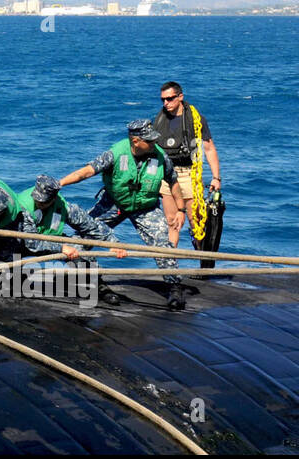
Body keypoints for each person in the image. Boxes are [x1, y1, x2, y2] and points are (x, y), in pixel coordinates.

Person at [59, 120, 189, 310]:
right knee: (80, 240)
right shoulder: (115, 154)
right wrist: (61, 183)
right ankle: (94, 282)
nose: (154, 144)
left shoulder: (161, 157)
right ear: (136, 141)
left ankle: (174, 286)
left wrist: (181, 210)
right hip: (114, 203)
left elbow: (174, 182)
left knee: (162, 242)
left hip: (145, 207)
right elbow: (87, 171)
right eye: (149, 141)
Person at [16, 175, 129, 305]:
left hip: (51, 240)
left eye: (44, 201)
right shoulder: (23, 207)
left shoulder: (64, 206)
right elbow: (31, 242)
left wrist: (113, 243)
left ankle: (97, 284)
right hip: (21, 243)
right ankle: (14, 278)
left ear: (54, 198)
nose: (39, 203)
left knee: (79, 249)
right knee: (7, 259)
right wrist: (61, 248)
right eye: (37, 199)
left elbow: (90, 225)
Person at [153, 81, 222, 247]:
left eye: (169, 99)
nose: (166, 103)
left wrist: (216, 178)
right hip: (166, 175)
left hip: (189, 175)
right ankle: (170, 266)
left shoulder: (196, 119)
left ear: (180, 97)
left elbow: (209, 148)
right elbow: (153, 153)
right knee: (171, 221)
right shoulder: (159, 120)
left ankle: (203, 266)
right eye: (163, 99)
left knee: (195, 221)